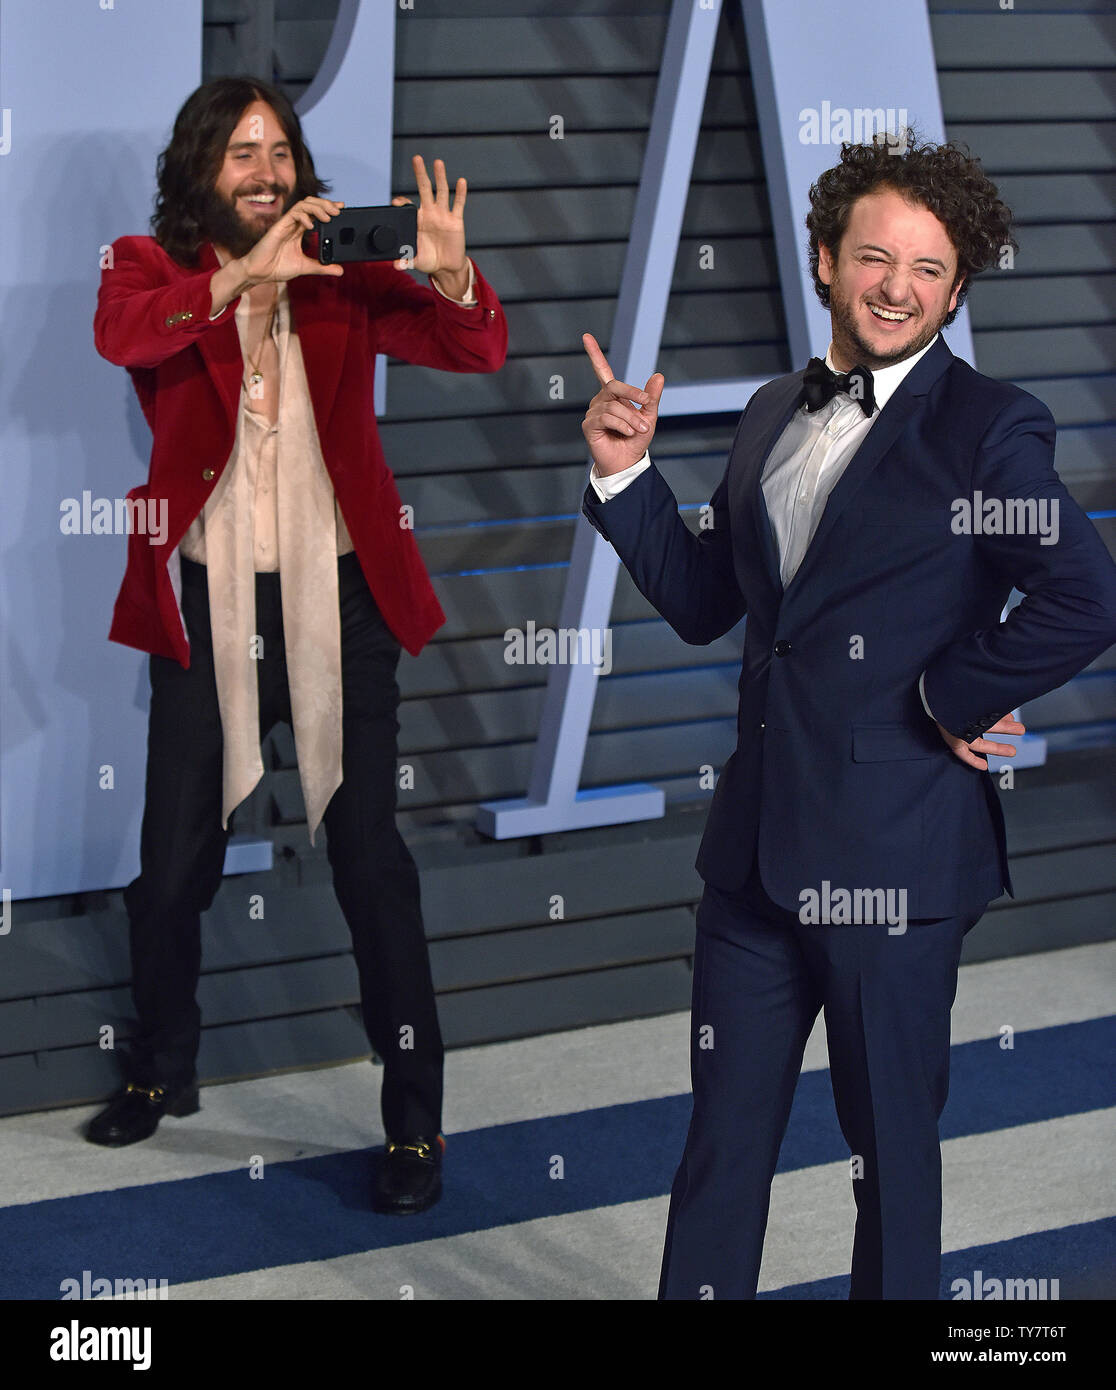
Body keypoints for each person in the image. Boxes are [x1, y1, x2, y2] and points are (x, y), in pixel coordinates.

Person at [579, 133, 1116, 1297]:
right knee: (717, 1158)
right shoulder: (776, 407)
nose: (897, 288)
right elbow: (709, 603)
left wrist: (953, 695)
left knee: (892, 1170)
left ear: (957, 288)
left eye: (929, 270)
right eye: (875, 257)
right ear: (826, 259)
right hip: (754, 866)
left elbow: (1085, 594)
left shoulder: (990, 427)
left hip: (900, 862)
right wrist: (627, 478)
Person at [88, 76, 506, 1217]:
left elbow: (476, 350)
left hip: (344, 598)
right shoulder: (151, 266)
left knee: (373, 861)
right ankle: (155, 1065)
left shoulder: (346, 268)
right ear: (201, 171)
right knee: (170, 867)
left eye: (279, 150)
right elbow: (120, 332)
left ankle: (414, 1128)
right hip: (208, 602)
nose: (266, 170)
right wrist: (242, 277)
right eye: (240, 153)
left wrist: (452, 274)